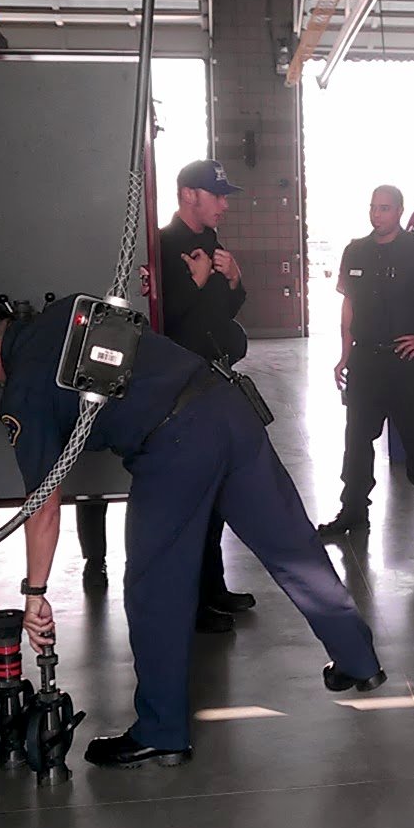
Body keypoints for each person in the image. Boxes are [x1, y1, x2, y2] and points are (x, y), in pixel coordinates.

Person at [0, 296, 386, 768]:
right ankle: (359, 661)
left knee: (155, 588)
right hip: (227, 404)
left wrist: (35, 592)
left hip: (175, 444)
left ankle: (162, 732)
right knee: (293, 548)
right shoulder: (70, 308)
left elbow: (44, 504)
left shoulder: (23, 391)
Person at [75, 158, 253, 635]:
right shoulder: (160, 246)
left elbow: (226, 309)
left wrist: (233, 278)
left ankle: (213, 588)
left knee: (214, 493)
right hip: (177, 393)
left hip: (212, 379)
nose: (223, 205)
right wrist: (194, 284)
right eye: (217, 195)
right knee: (187, 503)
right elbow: (160, 323)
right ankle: (191, 604)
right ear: (188, 194)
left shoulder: (210, 244)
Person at [318, 185, 414, 547]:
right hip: (365, 361)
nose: (377, 215)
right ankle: (353, 512)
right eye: (373, 207)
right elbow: (349, 308)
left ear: (399, 211)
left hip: (407, 363)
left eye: (384, 209)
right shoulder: (355, 251)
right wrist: (344, 353)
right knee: (356, 442)